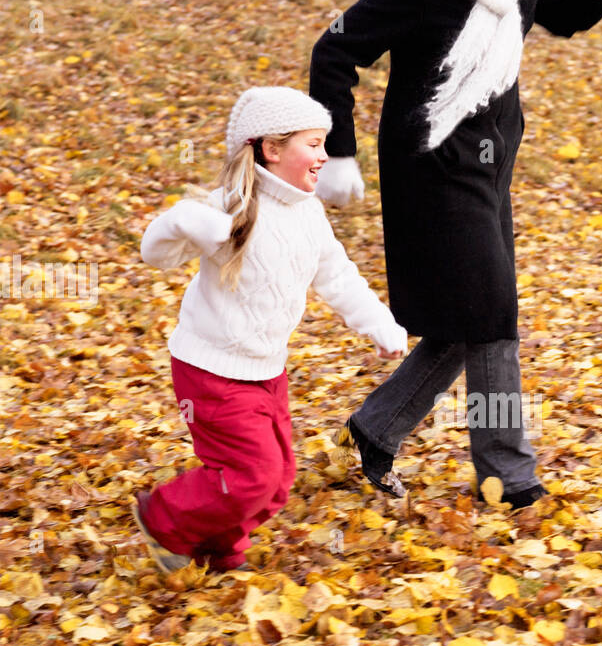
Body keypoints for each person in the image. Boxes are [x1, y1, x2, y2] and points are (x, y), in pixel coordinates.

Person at [309, 0, 602, 509]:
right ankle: (507, 477)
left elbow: (562, 13)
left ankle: (374, 430)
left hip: (488, 174)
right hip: (427, 170)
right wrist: (335, 152)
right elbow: (335, 50)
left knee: (466, 318)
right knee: (491, 314)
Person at [132, 86, 407, 575]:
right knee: (250, 476)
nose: (324, 156)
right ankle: (163, 518)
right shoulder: (231, 205)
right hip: (209, 368)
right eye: (314, 144)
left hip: (265, 369)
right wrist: (182, 220)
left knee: (277, 480)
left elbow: (338, 276)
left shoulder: (308, 213)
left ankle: (217, 547)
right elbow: (156, 254)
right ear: (272, 149)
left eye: (325, 143)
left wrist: (379, 323)